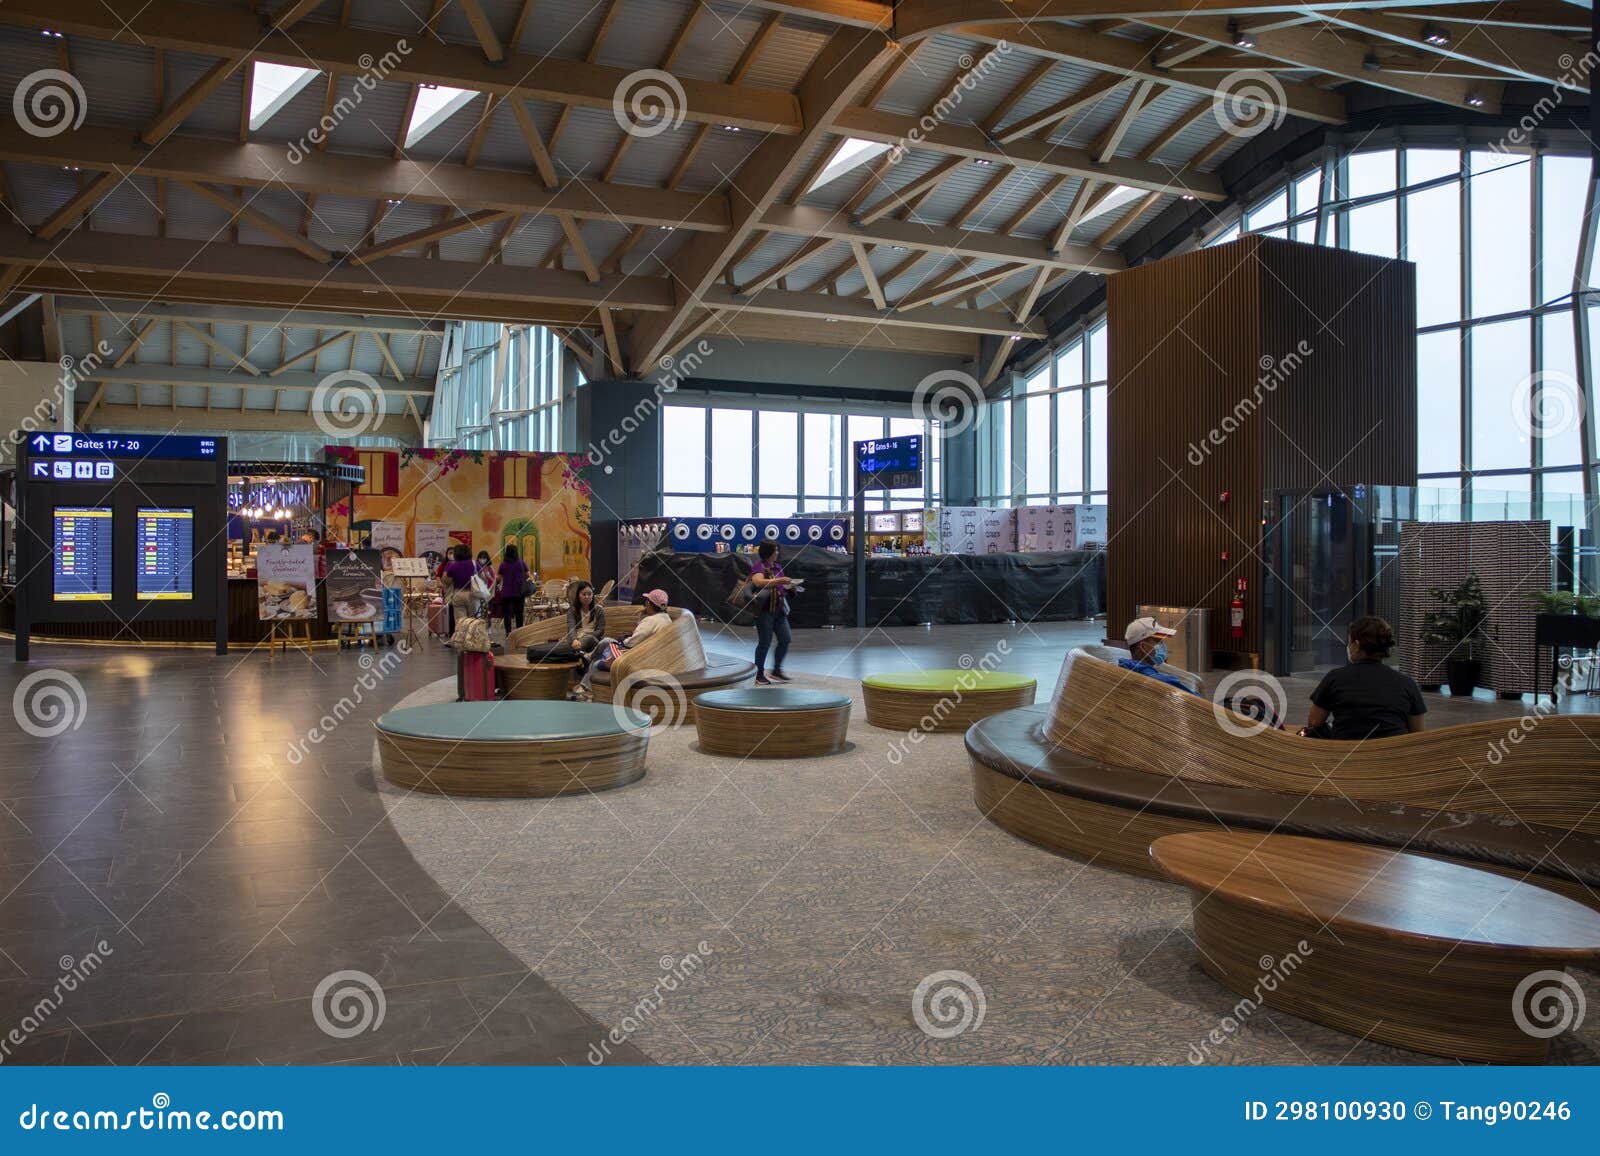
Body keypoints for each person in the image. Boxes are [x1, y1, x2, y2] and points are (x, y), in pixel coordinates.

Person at [1303, 616, 1426, 740]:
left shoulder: (1335, 678)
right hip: (1391, 755)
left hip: (1346, 754)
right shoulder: (1406, 682)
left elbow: (1314, 723)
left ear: (1356, 644)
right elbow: (1417, 731)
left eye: (1349, 642)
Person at [573, 589, 671, 699]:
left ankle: (588, 687)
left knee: (597, 662)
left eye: (646, 601)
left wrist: (622, 641)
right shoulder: (666, 618)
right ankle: (587, 664)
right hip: (647, 655)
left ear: (648, 603)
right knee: (606, 641)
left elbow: (632, 642)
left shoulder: (651, 621)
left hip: (636, 658)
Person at [750, 541, 795, 685]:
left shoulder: (778, 566)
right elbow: (758, 582)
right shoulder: (759, 566)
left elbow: (780, 585)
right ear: (768, 552)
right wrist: (779, 580)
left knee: (785, 639)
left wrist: (789, 586)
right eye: (775, 550)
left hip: (779, 610)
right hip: (764, 611)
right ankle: (758, 674)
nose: (777, 553)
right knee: (764, 643)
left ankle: (776, 670)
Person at [1118, 617, 1200, 695]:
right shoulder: (1164, 682)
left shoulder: (1124, 668)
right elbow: (1198, 701)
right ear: (1143, 647)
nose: (1163, 646)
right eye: (1158, 642)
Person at [441, 545, 478, 642]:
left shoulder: (454, 566)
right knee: (473, 619)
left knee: (460, 621)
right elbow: (482, 578)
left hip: (458, 593)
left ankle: (461, 641)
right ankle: (472, 640)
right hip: (472, 594)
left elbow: (447, 581)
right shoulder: (474, 564)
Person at [497, 545, 530, 636]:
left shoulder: (503, 564)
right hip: (519, 592)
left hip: (506, 593)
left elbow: (499, 578)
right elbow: (527, 574)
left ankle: (508, 633)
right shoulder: (521, 563)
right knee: (519, 613)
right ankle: (519, 633)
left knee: (507, 614)